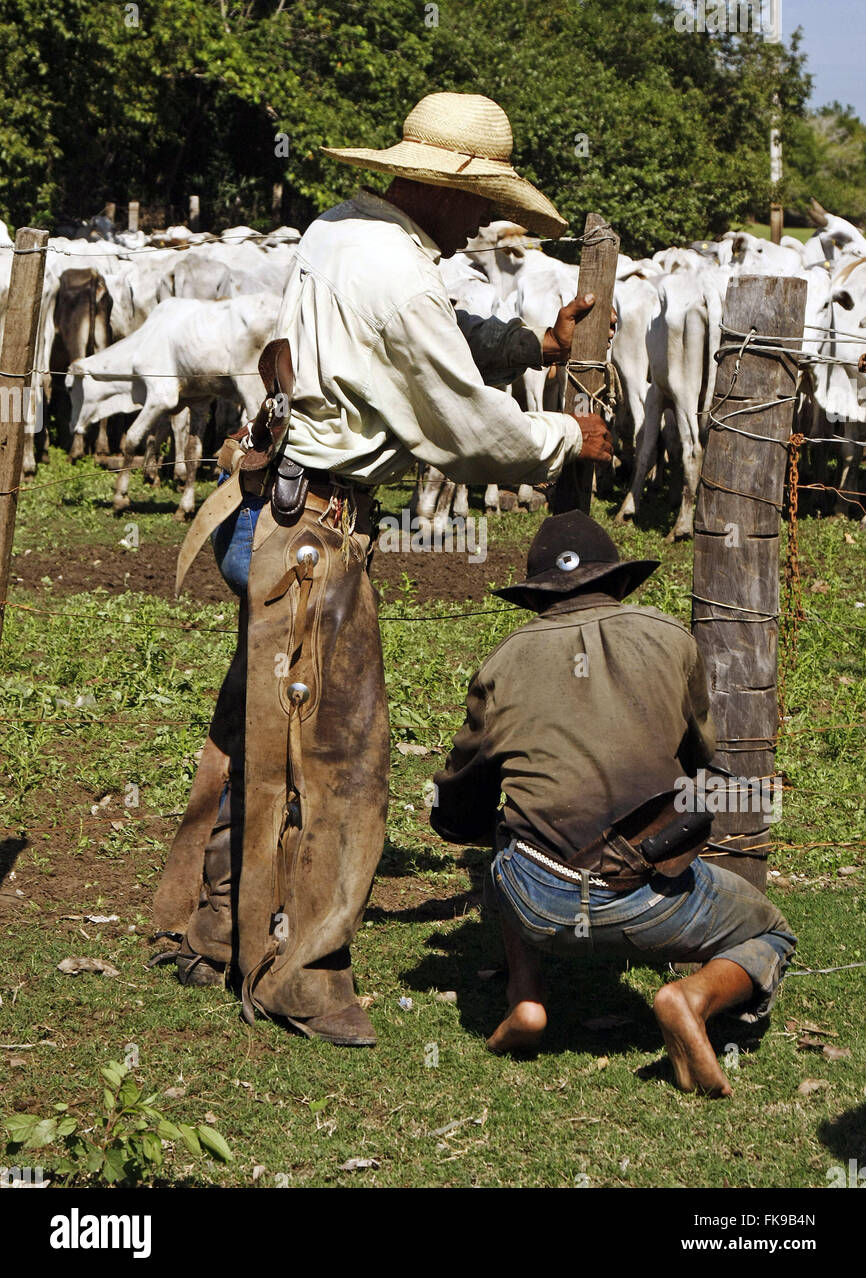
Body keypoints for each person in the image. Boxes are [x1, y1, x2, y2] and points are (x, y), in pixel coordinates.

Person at [152, 91, 615, 1047]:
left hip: (267, 507)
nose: (486, 220)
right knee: (341, 761)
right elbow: (464, 426)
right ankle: (303, 979)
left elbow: (409, 344)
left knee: (257, 734)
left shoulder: (342, 231)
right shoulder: (400, 276)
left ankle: (209, 932)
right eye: (482, 202)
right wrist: (570, 430)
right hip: (316, 538)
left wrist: (534, 344)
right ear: (448, 192)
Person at [432, 510, 797, 1096]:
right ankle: (691, 996)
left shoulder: (500, 664)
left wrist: (471, 823)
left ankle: (526, 1002)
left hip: (537, 901)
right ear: (618, 583)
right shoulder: (671, 639)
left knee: (506, 839)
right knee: (773, 932)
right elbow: (703, 759)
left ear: (537, 597)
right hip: (649, 896)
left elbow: (463, 796)